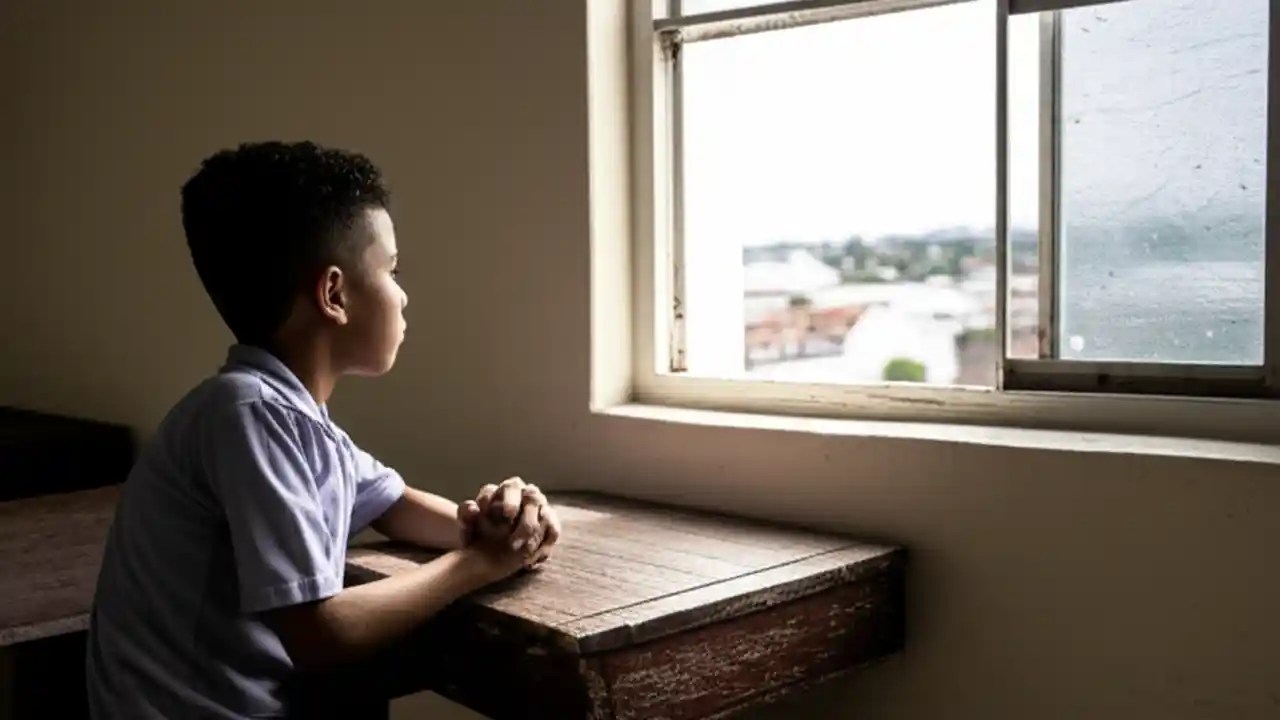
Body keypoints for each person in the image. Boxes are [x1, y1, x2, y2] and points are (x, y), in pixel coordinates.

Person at [85, 140, 561, 718]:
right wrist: (480, 565)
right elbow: (322, 632)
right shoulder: (251, 417)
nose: (404, 294)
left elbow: (398, 506)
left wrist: (505, 526)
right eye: (392, 270)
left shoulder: (292, 419)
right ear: (334, 294)